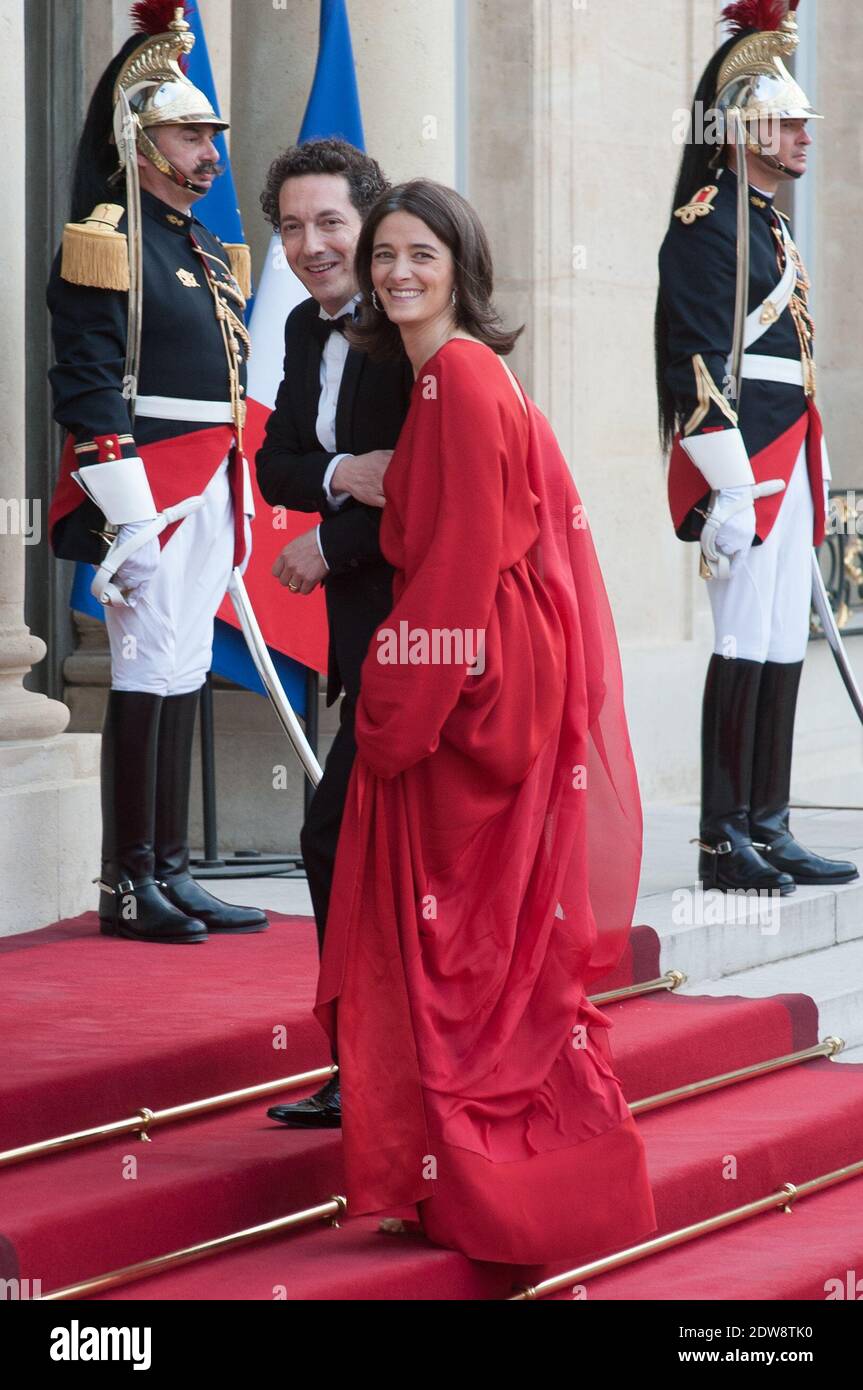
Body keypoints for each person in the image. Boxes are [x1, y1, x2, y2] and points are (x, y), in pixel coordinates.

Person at [310, 178, 657, 1266]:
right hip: (487, 679)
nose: (395, 272)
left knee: (454, 960)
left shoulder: (453, 375)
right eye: (382, 256)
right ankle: (492, 1190)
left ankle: (501, 1197)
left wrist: (392, 715)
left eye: (418, 253)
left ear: (460, 261)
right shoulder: (458, 374)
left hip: (461, 699)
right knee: (486, 963)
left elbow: (460, 564)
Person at [47, 1, 267, 943]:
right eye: (189, 132)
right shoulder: (109, 235)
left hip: (210, 476)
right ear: (140, 138)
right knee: (143, 667)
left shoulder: (203, 247)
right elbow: (90, 385)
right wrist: (127, 515)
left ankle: (171, 869)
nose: (209, 149)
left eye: (211, 132)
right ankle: (126, 883)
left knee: (179, 666)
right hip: (147, 485)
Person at [656, 0, 857, 895]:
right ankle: (719, 835)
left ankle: (767, 826)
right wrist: (729, 488)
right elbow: (693, 358)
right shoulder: (709, 222)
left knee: (779, 640)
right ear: (741, 126)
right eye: (785, 119)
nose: (803, 132)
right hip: (748, 464)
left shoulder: (766, 221)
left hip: (789, 458)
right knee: (741, 639)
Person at [255, 140, 413, 1127]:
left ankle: (386, 1064)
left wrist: (327, 543)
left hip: (430, 635)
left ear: (371, 222)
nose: (310, 246)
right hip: (367, 645)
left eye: (329, 224)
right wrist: (340, 471)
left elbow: (433, 480)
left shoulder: (412, 328)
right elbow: (275, 462)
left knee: (346, 837)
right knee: (348, 841)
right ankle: (367, 1059)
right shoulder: (308, 335)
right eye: (290, 227)